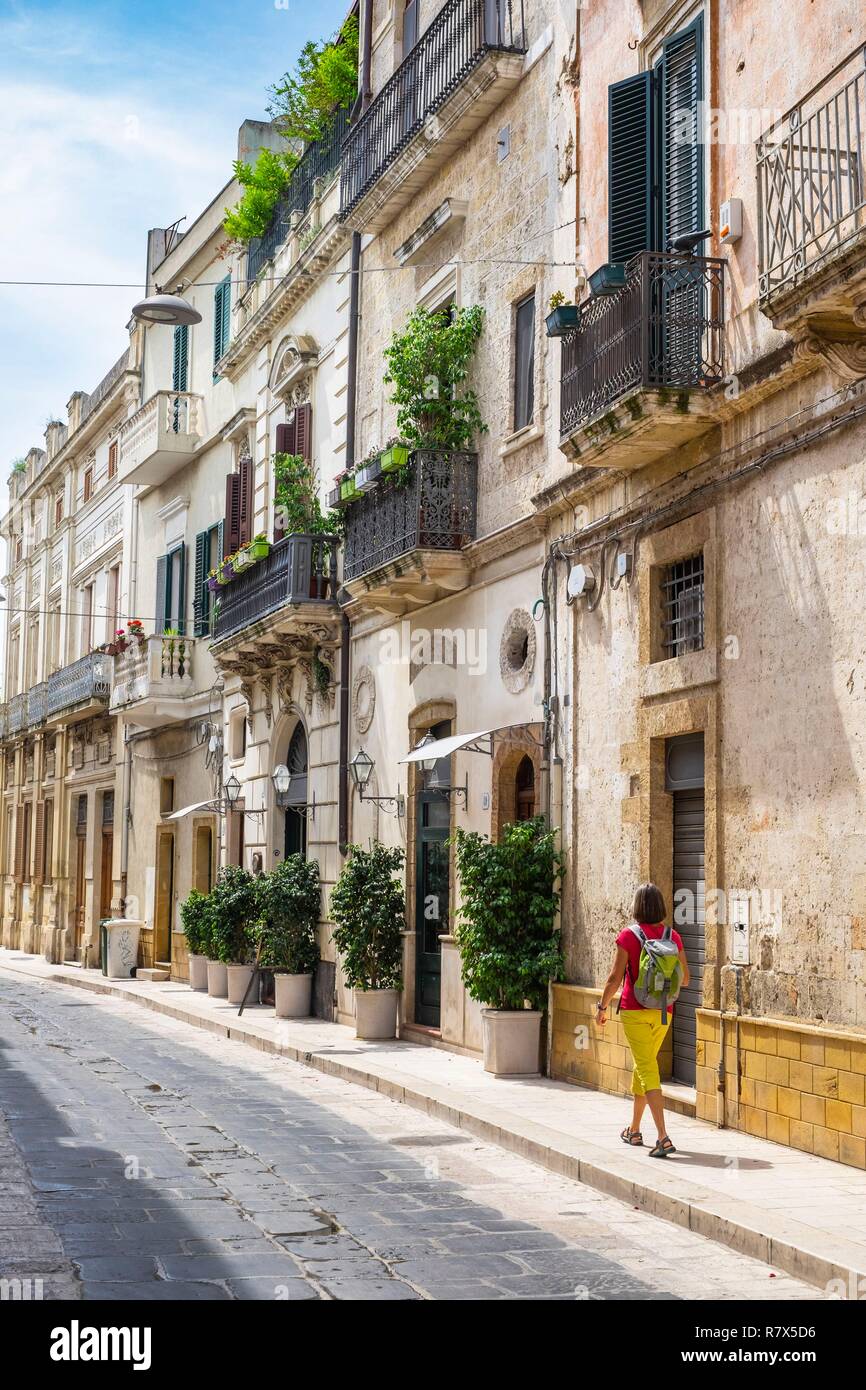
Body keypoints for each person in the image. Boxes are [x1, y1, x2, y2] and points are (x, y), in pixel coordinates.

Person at [595, 882, 689, 1159]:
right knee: (643, 1065)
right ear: (660, 906)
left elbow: (615, 978)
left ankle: (663, 1137)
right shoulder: (673, 936)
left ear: (636, 906)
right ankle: (634, 1130)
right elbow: (685, 979)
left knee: (647, 1069)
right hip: (663, 1012)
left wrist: (602, 1006)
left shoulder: (628, 936)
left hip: (635, 1010)